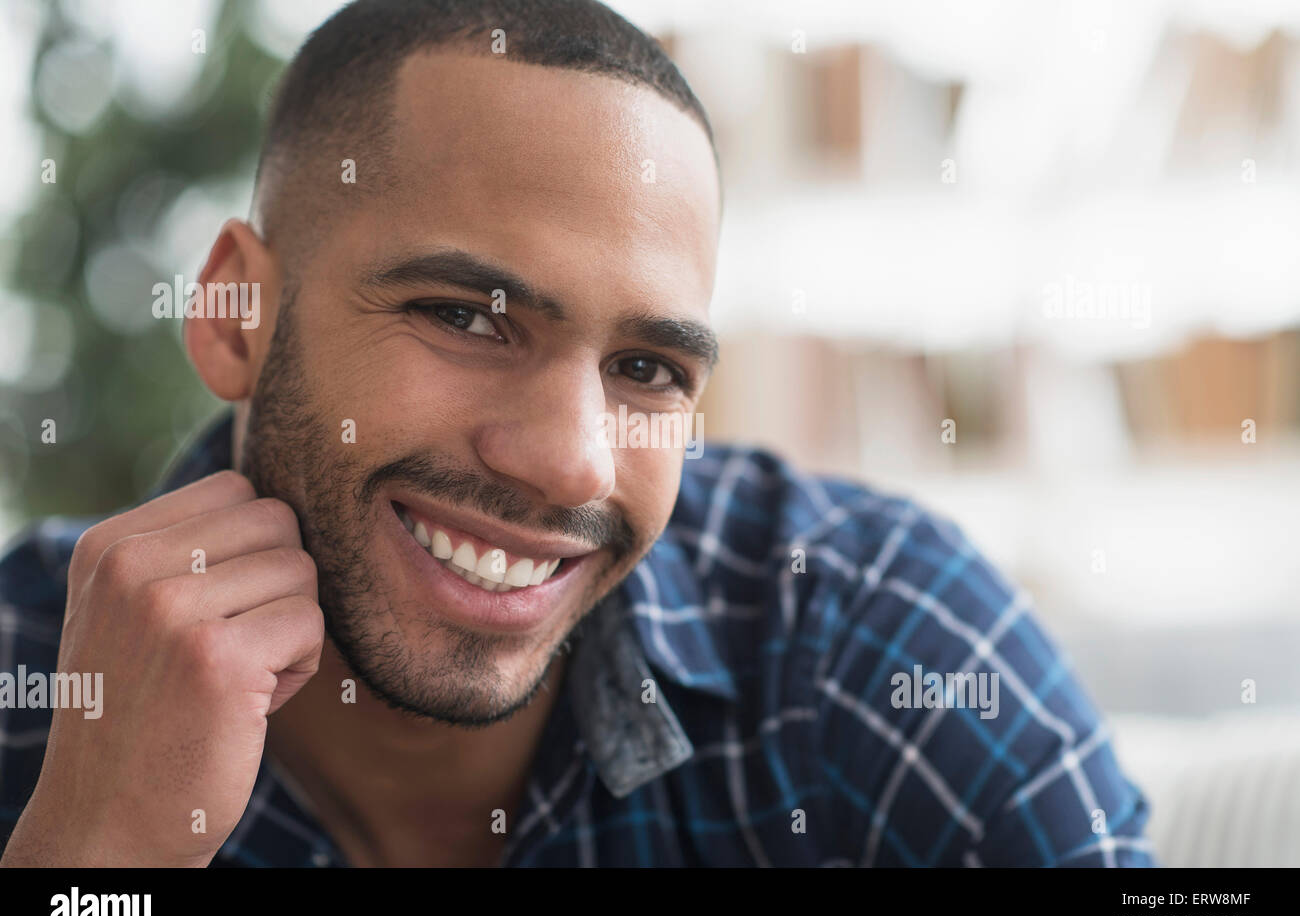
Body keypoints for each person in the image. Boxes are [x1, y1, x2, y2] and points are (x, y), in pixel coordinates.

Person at [0, 0, 1153, 867]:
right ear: (234, 313)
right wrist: (93, 869)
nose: (569, 462)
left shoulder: (875, 643)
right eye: (465, 317)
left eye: (648, 369)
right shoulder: (22, 680)